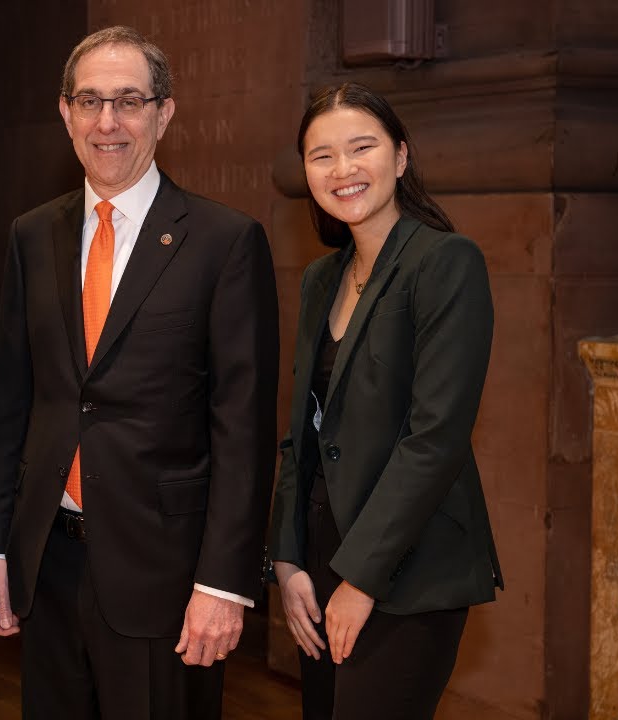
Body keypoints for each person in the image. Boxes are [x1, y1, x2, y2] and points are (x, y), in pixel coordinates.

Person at [0, 26, 280, 720]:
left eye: (129, 101)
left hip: (167, 579)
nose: (107, 122)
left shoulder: (225, 242)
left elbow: (243, 430)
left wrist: (223, 584)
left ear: (164, 114)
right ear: (66, 113)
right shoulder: (32, 234)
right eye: (90, 101)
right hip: (47, 566)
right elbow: (12, 404)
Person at [267, 82, 504, 720]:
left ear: (400, 157)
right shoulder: (321, 278)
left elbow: (435, 439)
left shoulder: (446, 262)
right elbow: (301, 432)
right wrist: (287, 555)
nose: (342, 169)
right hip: (320, 553)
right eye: (321, 156)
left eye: (361, 148)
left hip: (408, 561)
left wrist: (363, 577)